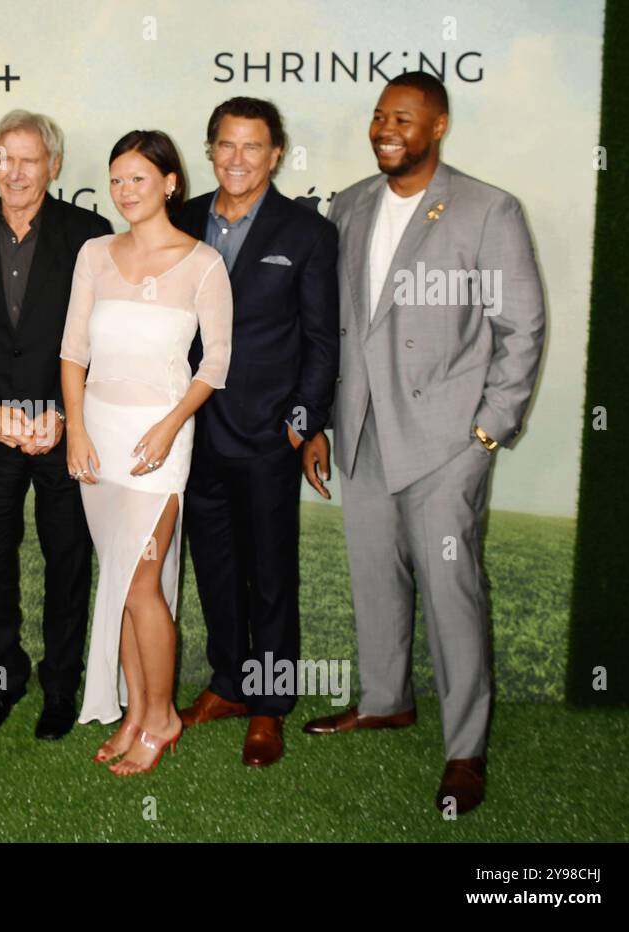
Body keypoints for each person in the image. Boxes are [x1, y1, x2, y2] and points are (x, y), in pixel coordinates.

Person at [299, 72, 546, 814]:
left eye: (403, 118)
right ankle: (385, 700)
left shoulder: (488, 208)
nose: (386, 128)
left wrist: (488, 429)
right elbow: (333, 327)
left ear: (437, 126)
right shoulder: (349, 205)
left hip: (446, 441)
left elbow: (521, 327)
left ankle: (465, 748)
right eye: (379, 116)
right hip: (364, 431)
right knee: (374, 578)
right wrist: (317, 420)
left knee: (452, 593)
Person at [61, 130, 233, 775]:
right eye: (116, 180)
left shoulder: (201, 264)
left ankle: (161, 717)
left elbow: (216, 362)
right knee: (126, 582)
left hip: (160, 442)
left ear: (170, 183)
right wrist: (76, 429)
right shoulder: (94, 254)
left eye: (139, 178)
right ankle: (135, 710)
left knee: (143, 581)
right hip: (98, 439)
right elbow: (73, 349)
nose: (126, 191)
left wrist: (169, 426)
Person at [174, 97, 339, 766]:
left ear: (276, 154)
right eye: (226, 145)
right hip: (190, 430)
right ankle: (228, 683)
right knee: (213, 565)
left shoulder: (308, 233)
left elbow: (322, 341)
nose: (237, 159)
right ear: (209, 150)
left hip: (268, 435)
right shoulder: (181, 221)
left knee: (270, 574)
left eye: (253, 147)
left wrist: (302, 426)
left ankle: (268, 705)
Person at [0, 110, 112, 740]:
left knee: (68, 561)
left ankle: (60, 688)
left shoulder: (90, 235)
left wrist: (67, 415)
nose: (14, 171)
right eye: (3, 157)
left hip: (63, 432)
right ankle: (2, 678)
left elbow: (102, 336)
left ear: (53, 166)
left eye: (28, 159)